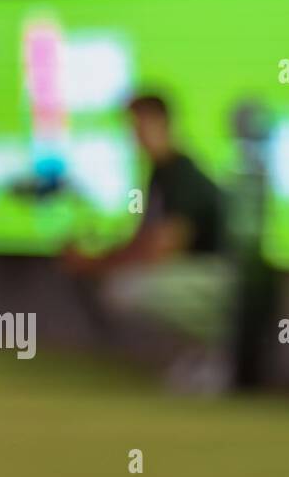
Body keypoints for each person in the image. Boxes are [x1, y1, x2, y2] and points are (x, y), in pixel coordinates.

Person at [61, 94, 235, 392]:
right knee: (125, 284)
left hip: (224, 280)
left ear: (163, 123)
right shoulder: (159, 173)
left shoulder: (182, 174)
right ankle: (201, 354)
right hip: (203, 277)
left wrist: (95, 263)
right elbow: (144, 240)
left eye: (141, 123)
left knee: (125, 289)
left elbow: (162, 246)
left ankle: (220, 354)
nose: (135, 134)